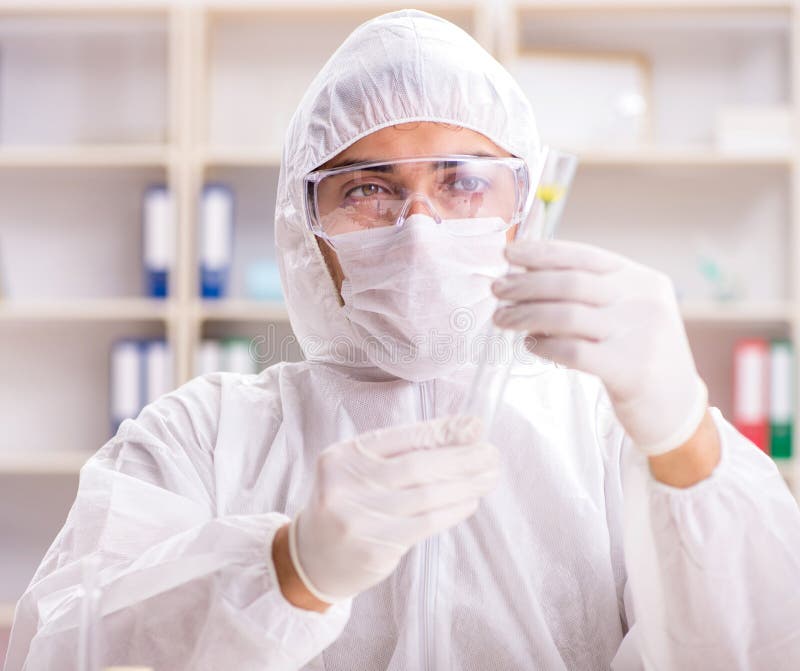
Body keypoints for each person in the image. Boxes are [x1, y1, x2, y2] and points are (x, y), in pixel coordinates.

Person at [6, 9, 800, 671]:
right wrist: (287, 570)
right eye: (368, 188)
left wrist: (686, 436)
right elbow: (60, 649)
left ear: (520, 208)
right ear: (302, 223)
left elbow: (759, 645)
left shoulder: (603, 431)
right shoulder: (201, 436)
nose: (419, 230)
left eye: (460, 181)